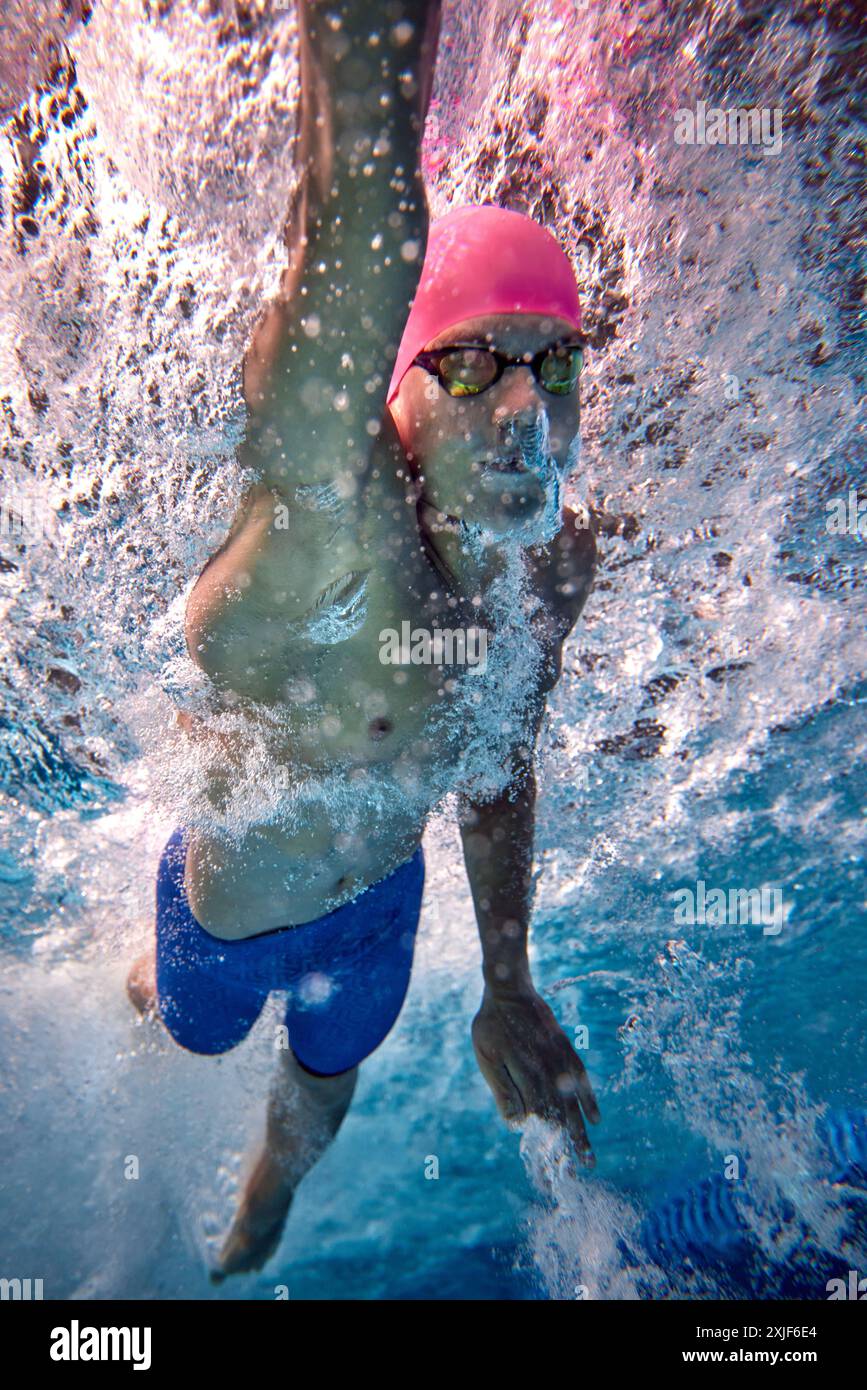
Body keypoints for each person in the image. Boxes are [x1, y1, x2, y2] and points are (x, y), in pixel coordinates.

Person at [127, 0, 600, 1281]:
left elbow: (497, 767)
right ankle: (138, 969)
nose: (523, 407)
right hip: (230, 920)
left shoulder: (551, 566)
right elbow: (353, 236)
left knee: (323, 1100)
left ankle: (266, 1200)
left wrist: (508, 982)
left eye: (554, 364)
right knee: (187, 1027)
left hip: (379, 917)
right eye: (471, 366)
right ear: (394, 397)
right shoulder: (328, 515)